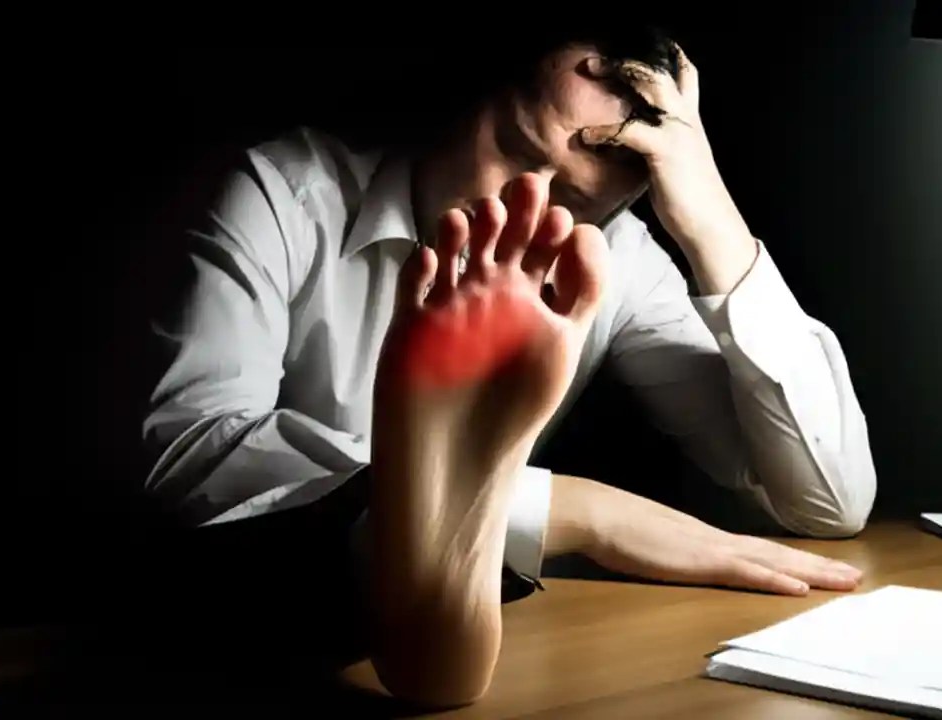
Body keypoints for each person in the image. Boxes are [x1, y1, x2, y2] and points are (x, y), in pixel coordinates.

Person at [142, 26, 876, 706]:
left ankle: (431, 482)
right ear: (473, 92)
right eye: (518, 151)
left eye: (571, 199)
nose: (521, 202)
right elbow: (194, 456)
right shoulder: (289, 195)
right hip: (226, 614)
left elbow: (825, 501)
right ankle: (434, 462)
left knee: (444, 674)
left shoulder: (610, 256)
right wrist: (571, 511)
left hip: (433, 630)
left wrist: (711, 216)